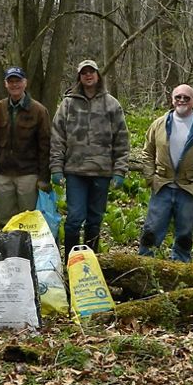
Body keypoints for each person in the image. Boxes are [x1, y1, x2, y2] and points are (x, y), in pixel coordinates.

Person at [50, 58, 130, 257]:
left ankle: (90, 260)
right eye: (84, 72)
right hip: (75, 171)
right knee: (74, 219)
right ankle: (71, 260)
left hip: (102, 171)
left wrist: (120, 171)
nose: (88, 75)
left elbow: (122, 140)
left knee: (95, 220)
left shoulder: (111, 104)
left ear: (97, 75)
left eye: (91, 72)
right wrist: (56, 168)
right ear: (79, 77)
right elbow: (57, 138)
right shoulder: (68, 103)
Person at [138, 84, 193, 262]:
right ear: (172, 100)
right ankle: (144, 264)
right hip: (162, 185)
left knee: (185, 233)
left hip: (189, 187)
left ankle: (180, 266)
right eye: (178, 97)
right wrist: (150, 177)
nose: (182, 100)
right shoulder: (159, 124)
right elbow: (147, 152)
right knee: (151, 230)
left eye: (186, 98)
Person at [0, 66, 52, 227]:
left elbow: (46, 146)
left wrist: (44, 178)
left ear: (25, 83)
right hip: (3, 174)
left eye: (18, 81)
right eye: (11, 81)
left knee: (28, 221)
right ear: (6, 84)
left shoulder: (38, 111)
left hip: (28, 175)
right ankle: (9, 244)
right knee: (6, 221)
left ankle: (27, 245)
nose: (15, 85)